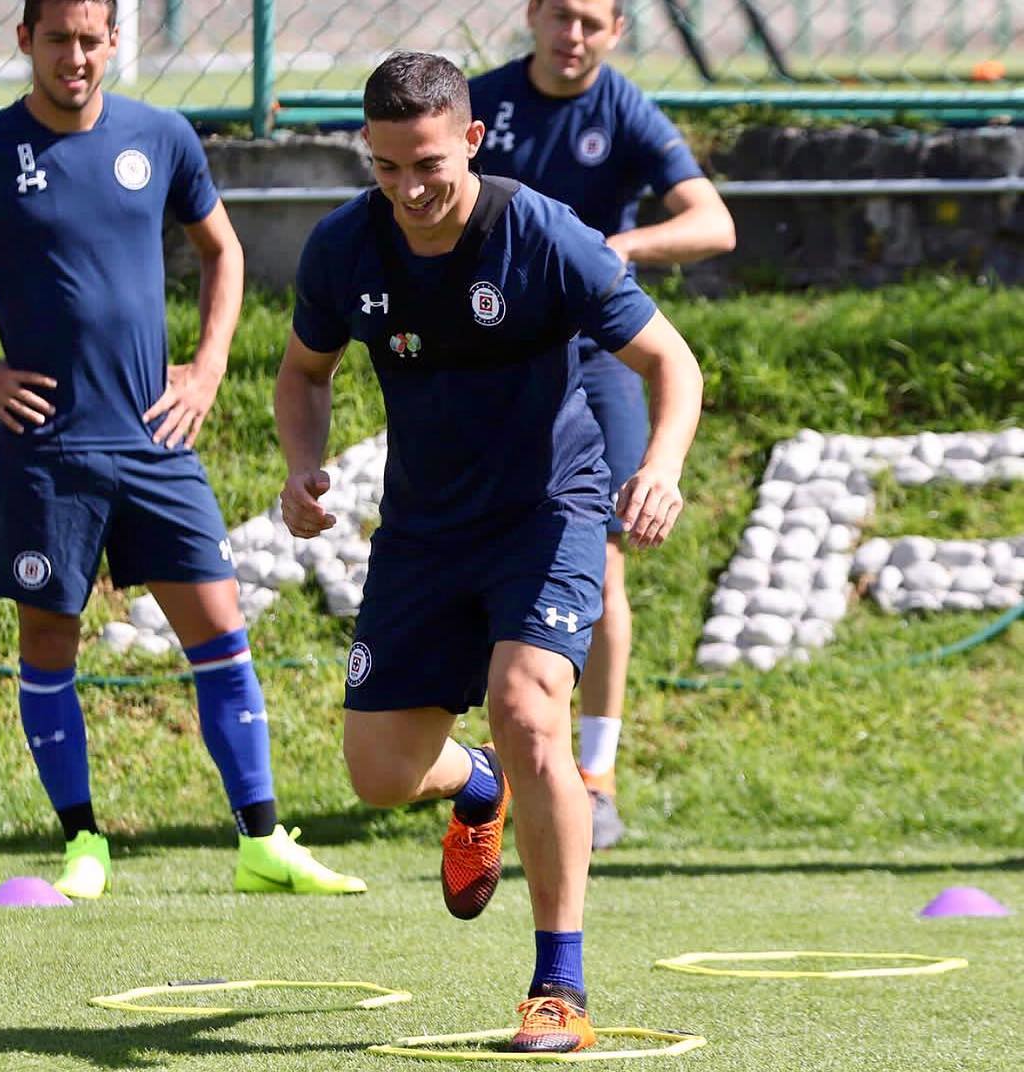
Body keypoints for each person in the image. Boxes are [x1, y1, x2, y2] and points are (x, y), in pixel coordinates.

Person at [276, 51, 702, 1053]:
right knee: (378, 774)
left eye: (426, 162)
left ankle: (558, 985)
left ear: (470, 139)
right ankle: (477, 785)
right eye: (385, 168)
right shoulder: (346, 248)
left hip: (547, 512)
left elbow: (668, 359)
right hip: (424, 530)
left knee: (527, 708)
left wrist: (666, 466)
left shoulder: (541, 233)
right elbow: (304, 373)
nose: (409, 188)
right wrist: (303, 465)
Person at [0, 0, 365, 900]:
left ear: (113, 42)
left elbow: (224, 252)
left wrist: (208, 369)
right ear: (25, 42)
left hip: (155, 440)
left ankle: (260, 841)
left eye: (91, 39)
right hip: (45, 445)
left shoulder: (163, 136)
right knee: (49, 638)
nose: (75, 57)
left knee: (219, 627)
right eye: (56, 38)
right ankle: (82, 842)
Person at [471, 0, 735, 848]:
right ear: (531, 17)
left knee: (607, 565)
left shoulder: (623, 109)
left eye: (591, 21)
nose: (573, 35)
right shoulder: (480, 102)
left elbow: (714, 223)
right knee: (481, 548)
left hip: (596, 358)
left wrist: (622, 248)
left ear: (617, 31)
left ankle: (596, 774)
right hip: (491, 358)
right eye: (559, 16)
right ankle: (502, 760)